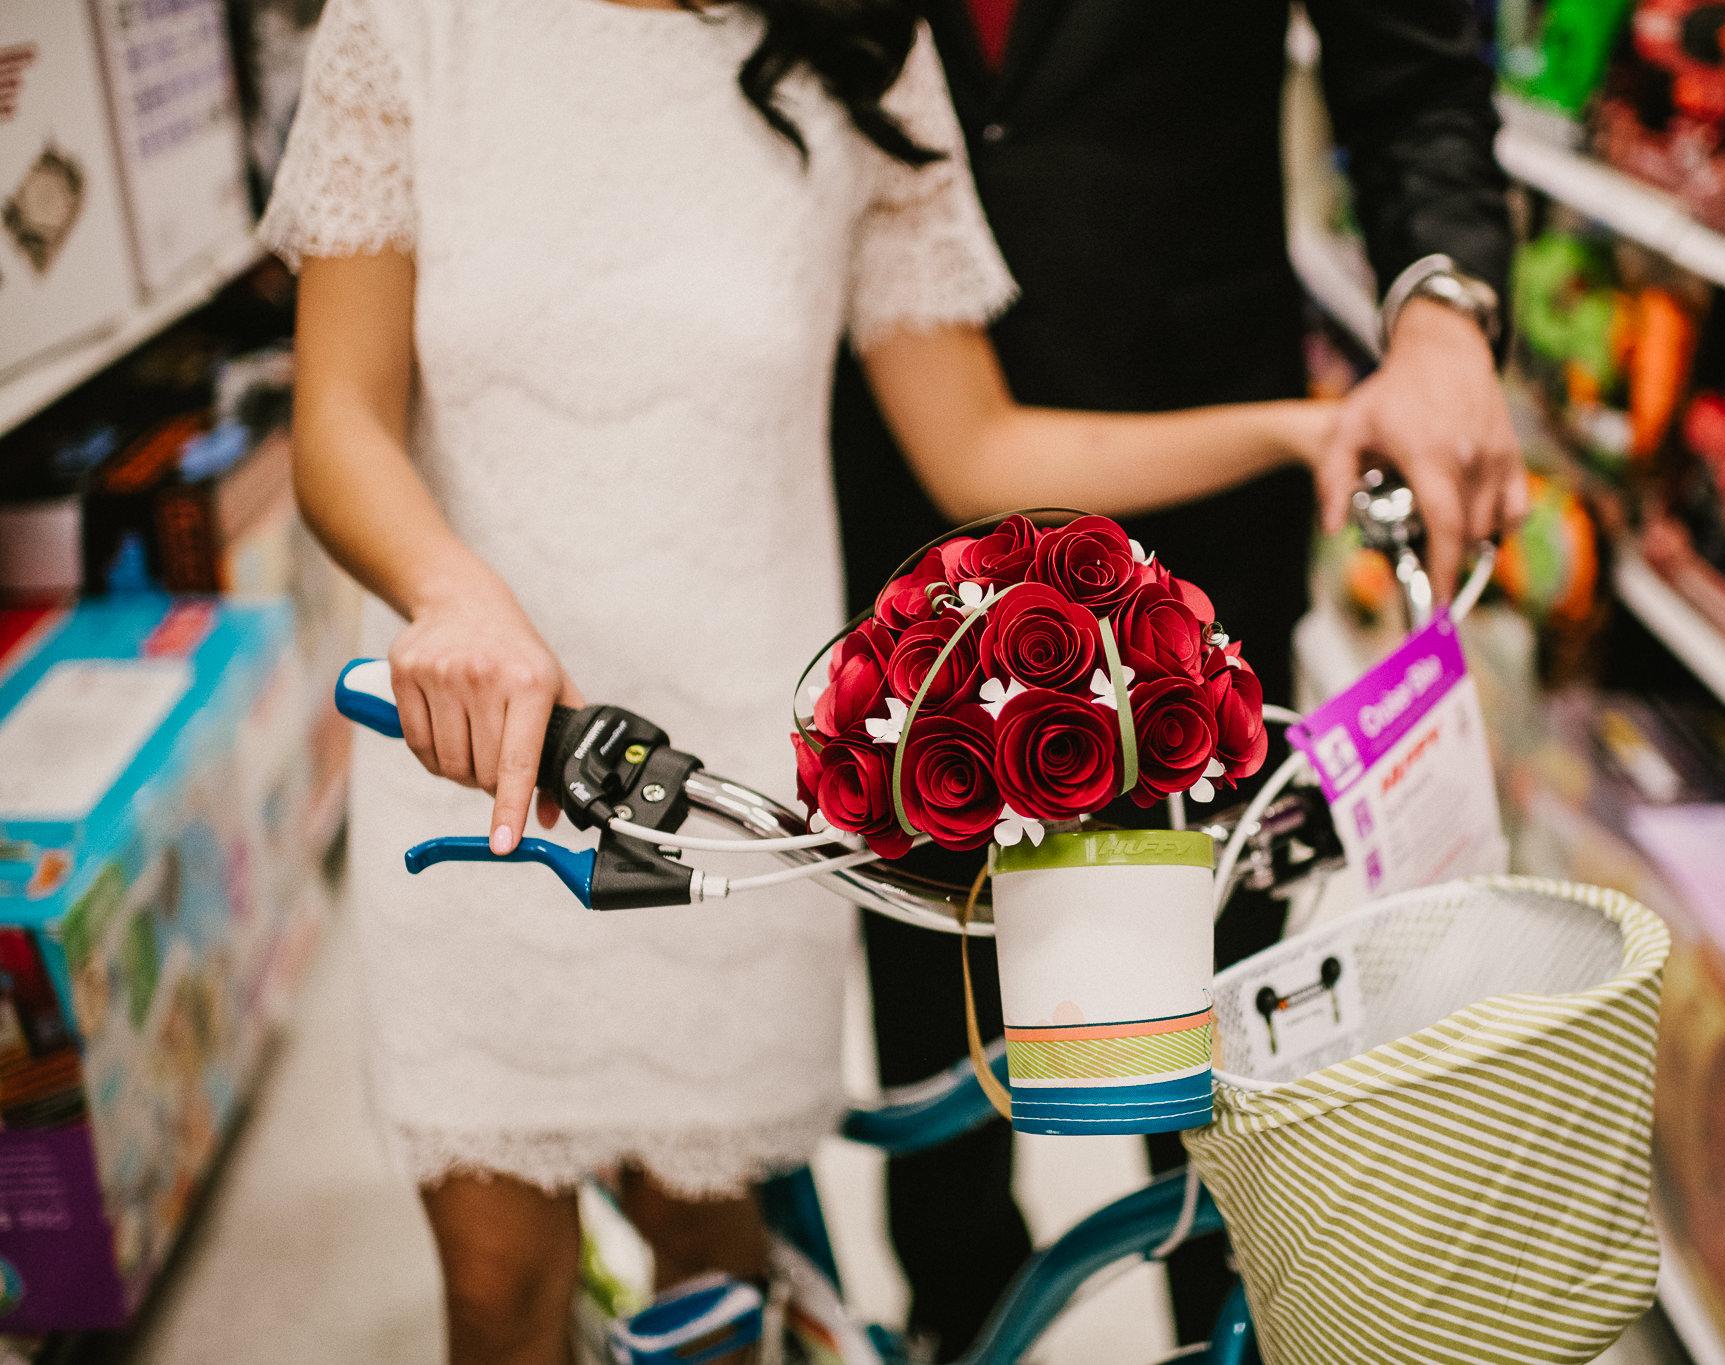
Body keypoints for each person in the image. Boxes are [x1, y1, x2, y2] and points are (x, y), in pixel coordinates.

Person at [264, 0, 1388, 1360]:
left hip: (724, 801)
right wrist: (453, 595)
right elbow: (335, 420)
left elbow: (978, 446)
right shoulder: (408, 28)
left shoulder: (857, 50)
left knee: (714, 1265)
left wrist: (1307, 425)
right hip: (473, 761)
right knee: (499, 1291)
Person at [829, 0, 1520, 1353]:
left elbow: (1416, 73)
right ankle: (955, 1315)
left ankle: (1224, 1323)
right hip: (882, 469)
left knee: (1202, 1051)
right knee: (927, 1018)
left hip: (1190, 487)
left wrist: (1441, 318)